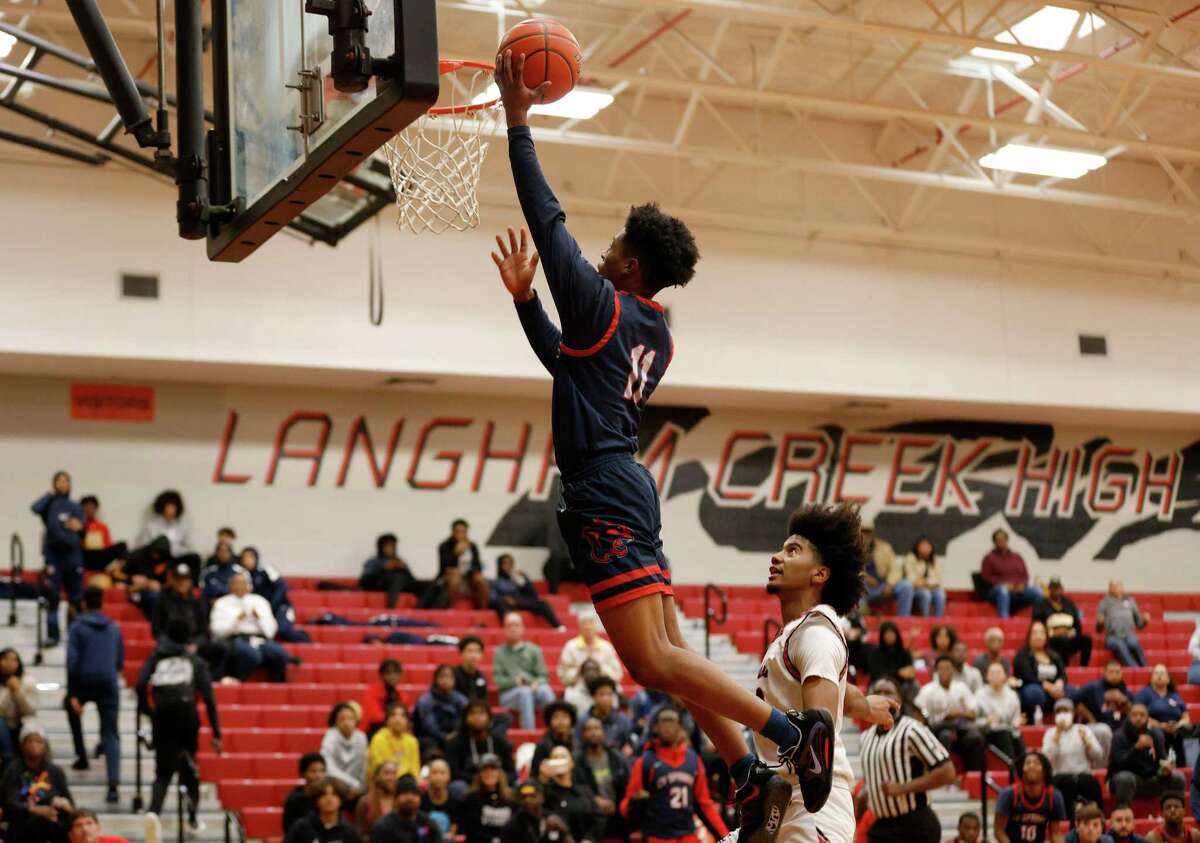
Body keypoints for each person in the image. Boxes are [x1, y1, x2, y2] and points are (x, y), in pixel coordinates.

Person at [493, 51, 832, 831]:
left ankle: (789, 737)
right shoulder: (651, 332)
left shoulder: (603, 302)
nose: (602, 251)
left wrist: (518, 120)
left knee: (650, 662)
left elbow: (546, 221)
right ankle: (748, 770)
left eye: (613, 245)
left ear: (630, 263)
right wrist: (524, 306)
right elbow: (565, 367)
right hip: (626, 481)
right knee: (671, 648)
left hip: (607, 486)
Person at [136, 618, 221, 839]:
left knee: (163, 772)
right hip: (187, 717)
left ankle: (153, 815)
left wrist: (147, 711)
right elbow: (210, 698)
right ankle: (192, 818)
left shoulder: (157, 656)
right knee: (189, 767)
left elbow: (140, 683)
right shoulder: (193, 659)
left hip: (162, 718)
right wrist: (216, 733)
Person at [858, 678, 956, 843]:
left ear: (899, 700)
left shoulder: (912, 729)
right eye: (877, 693)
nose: (883, 697)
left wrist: (903, 788)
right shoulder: (865, 737)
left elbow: (948, 772)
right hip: (881, 826)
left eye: (888, 692)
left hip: (915, 825)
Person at [620, 706, 727, 843]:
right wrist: (635, 802)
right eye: (663, 721)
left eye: (671, 721)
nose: (667, 726)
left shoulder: (693, 759)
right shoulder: (645, 761)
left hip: (687, 835)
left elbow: (704, 804)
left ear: (680, 728)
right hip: (656, 836)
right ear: (655, 728)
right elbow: (625, 807)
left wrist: (725, 835)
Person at [65, 586, 123, 802]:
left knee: (70, 708)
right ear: (102, 604)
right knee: (111, 733)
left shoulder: (77, 627)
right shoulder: (114, 628)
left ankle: (81, 755)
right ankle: (113, 785)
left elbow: (71, 661)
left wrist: (73, 693)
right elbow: (119, 662)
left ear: (83, 604)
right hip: (108, 681)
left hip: (83, 680)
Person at [32, 470, 85, 645]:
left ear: (70, 484)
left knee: (75, 598)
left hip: (72, 557)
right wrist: (49, 494)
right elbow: (35, 508)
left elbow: (83, 531)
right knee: (52, 597)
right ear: (54, 484)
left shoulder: (76, 507)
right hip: (53, 558)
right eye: (59, 481)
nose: (62, 484)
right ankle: (53, 635)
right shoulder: (49, 505)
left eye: (65, 481)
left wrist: (78, 527)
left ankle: (74, 634)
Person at [0, 721, 74, 842]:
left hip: (52, 824)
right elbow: (8, 804)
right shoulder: (13, 770)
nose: (34, 745)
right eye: (30, 741)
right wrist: (36, 810)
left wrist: (63, 804)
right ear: (22, 745)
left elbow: (70, 805)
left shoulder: (55, 771)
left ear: (45, 745)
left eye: (38, 741)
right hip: (21, 826)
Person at [209, 571, 290, 682]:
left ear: (249, 585)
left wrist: (259, 618)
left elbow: (272, 629)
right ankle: (238, 680)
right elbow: (216, 629)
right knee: (251, 654)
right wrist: (236, 620)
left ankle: (278, 687)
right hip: (235, 639)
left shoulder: (259, 601)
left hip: (260, 639)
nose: (239, 586)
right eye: (236, 583)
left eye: (243, 583)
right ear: (230, 586)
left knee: (279, 653)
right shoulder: (222, 603)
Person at [916, 655, 985, 771]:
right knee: (945, 735)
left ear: (953, 669)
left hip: (960, 730)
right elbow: (918, 715)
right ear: (936, 671)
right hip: (936, 732)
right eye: (941, 669)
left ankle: (974, 777)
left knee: (976, 737)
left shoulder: (961, 687)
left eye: (948, 668)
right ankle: (943, 774)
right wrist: (945, 717)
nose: (945, 672)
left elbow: (973, 714)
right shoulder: (927, 690)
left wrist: (959, 713)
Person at [1108, 702, 1186, 806]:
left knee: (1178, 777)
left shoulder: (1156, 734)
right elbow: (1119, 764)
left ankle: (1173, 812)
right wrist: (1136, 748)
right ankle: (1123, 813)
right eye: (1134, 715)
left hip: (1151, 780)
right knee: (1125, 778)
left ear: (1148, 718)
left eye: (1142, 715)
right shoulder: (1119, 735)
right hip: (1128, 780)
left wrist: (1165, 769)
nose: (1138, 718)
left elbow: (1162, 760)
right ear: (1128, 716)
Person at [1041, 698, 1104, 815]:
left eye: (1066, 711)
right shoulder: (1050, 733)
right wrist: (1057, 737)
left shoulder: (1083, 730)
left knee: (1089, 781)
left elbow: (1098, 755)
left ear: (1073, 713)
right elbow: (1046, 760)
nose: (1062, 714)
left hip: (1082, 773)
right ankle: (1066, 816)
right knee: (1067, 782)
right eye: (1059, 711)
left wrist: (1087, 742)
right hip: (1060, 775)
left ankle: (1097, 815)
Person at [494, 612, 556, 731]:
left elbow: (543, 675)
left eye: (516, 625)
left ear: (522, 628)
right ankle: (529, 734)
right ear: (504, 629)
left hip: (533, 689)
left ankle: (555, 730)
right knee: (524, 692)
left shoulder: (534, 650)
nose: (513, 629)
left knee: (546, 690)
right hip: (509, 694)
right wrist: (514, 682)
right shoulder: (499, 652)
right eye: (509, 625)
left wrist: (536, 683)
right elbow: (498, 680)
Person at [575, 716, 631, 840]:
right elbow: (575, 789)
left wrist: (618, 804)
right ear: (583, 735)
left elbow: (628, 785)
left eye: (596, 728)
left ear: (604, 733)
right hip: (590, 817)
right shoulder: (577, 762)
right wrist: (594, 800)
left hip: (617, 814)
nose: (593, 732)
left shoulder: (617, 758)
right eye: (588, 729)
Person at [995, 752, 1067, 843]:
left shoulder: (1054, 796)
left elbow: (1056, 833)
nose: (1031, 766)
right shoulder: (1008, 794)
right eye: (1027, 763)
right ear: (1021, 769)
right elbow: (999, 831)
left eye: (1036, 763)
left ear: (1044, 770)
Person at [540, 745, 605, 843]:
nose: (559, 761)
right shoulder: (545, 791)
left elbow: (599, 818)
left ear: (571, 763)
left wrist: (590, 839)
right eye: (555, 758)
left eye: (562, 757)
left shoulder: (584, 792)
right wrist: (543, 781)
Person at [446, 701, 516, 791]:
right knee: (457, 787)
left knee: (517, 787)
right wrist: (480, 780)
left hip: (498, 784)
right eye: (472, 713)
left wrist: (496, 780)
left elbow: (512, 773)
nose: (477, 717)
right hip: (469, 784)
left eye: (481, 713)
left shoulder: (500, 742)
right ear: (465, 719)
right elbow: (454, 773)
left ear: (489, 719)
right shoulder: (456, 743)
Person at [1073, 660, 1130, 759]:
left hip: (1118, 728)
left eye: (1117, 672)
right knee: (1105, 730)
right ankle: (1102, 767)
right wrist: (1089, 716)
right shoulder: (1093, 687)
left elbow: (1135, 711)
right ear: (1104, 673)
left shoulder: (1124, 689)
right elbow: (1072, 701)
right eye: (1111, 672)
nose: (1114, 675)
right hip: (1096, 727)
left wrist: (1124, 701)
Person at [1134, 665, 1191, 763]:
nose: (1159, 676)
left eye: (1162, 673)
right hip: (1152, 729)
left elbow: (1186, 717)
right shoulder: (1144, 694)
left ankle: (1183, 766)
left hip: (1175, 729)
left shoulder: (1175, 696)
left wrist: (1177, 725)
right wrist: (1161, 726)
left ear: (1168, 679)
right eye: (1156, 673)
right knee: (1158, 734)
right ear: (1151, 678)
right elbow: (1139, 717)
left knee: (1185, 730)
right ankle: (1161, 764)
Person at [980, 529, 1042, 618]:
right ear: (994, 542)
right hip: (997, 590)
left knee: (1038, 591)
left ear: (1006, 540)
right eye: (998, 540)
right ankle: (1004, 621)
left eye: (1003, 539)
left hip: (1018, 589)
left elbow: (1025, 575)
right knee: (1003, 590)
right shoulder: (989, 558)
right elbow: (987, 578)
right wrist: (1005, 584)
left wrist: (1022, 585)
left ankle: (1037, 621)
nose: (1001, 542)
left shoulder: (1017, 557)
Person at [138, 489, 201, 576]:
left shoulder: (181, 526)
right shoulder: (151, 525)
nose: (172, 509)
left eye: (174, 506)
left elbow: (189, 547)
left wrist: (175, 551)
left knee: (195, 558)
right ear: (162, 506)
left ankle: (194, 586)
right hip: (158, 559)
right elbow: (145, 546)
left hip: (175, 558)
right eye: (169, 505)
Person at [1014, 620, 1069, 721]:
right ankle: (1035, 719)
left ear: (1046, 636)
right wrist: (1048, 687)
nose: (1038, 636)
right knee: (1034, 691)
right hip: (1033, 690)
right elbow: (1027, 677)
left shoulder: (1054, 655)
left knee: (1072, 691)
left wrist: (1060, 682)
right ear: (1029, 636)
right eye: (1035, 633)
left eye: (1042, 633)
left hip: (1054, 691)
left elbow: (1063, 674)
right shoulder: (1022, 655)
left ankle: (1068, 721)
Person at [492, 554, 563, 630]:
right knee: (503, 605)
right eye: (506, 563)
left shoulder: (517, 580)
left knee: (543, 604)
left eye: (511, 563)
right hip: (506, 605)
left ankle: (558, 626)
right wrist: (504, 599)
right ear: (500, 565)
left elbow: (534, 595)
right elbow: (492, 598)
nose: (509, 566)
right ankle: (510, 628)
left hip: (520, 602)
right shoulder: (496, 582)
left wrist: (525, 579)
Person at [1033, 578, 1092, 667]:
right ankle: (1065, 668)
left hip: (1069, 637)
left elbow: (1077, 624)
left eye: (1058, 588)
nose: (1056, 590)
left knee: (1087, 639)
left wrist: (1073, 632)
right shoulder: (1042, 604)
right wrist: (1052, 633)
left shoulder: (1069, 603)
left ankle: (1084, 667)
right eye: (1053, 588)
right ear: (1049, 589)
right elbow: (1037, 623)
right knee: (1062, 640)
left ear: (1062, 589)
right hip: (1051, 639)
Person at [284, 778, 364, 843]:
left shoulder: (349, 833)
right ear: (316, 800)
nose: (329, 799)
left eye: (334, 795)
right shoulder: (301, 828)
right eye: (323, 795)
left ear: (341, 800)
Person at [370, 774, 445, 843]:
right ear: (395, 799)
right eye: (404, 793)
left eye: (414, 794)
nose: (409, 798)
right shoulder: (383, 827)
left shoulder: (428, 824)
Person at [975, 661, 1023, 764]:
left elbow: (1016, 719)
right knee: (1004, 734)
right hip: (986, 732)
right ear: (987, 676)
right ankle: (1011, 768)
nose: (995, 675)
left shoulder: (1012, 695)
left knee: (1017, 736)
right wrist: (986, 721)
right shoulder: (979, 695)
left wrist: (1017, 723)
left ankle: (1020, 768)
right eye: (992, 673)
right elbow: (974, 721)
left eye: (999, 672)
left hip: (1008, 731)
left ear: (1005, 676)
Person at [460, 754, 516, 843]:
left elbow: (515, 828)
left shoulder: (510, 798)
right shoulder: (471, 798)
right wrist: (492, 840)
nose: (489, 772)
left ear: (499, 773)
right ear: (479, 774)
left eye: (493, 769)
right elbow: (471, 830)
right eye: (485, 769)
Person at [860, 521, 912, 616]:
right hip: (863, 588)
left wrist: (889, 584)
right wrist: (865, 578)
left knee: (906, 586)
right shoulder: (851, 548)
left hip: (882, 586)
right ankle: (860, 623)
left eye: (868, 532)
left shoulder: (884, 547)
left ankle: (902, 621)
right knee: (855, 591)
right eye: (863, 531)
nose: (865, 535)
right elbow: (849, 570)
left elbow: (895, 569)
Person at [437, 519, 490, 611]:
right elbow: (444, 566)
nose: (461, 534)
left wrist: (471, 571)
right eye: (458, 531)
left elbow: (478, 566)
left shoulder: (472, 546)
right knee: (455, 579)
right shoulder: (444, 546)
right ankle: (451, 608)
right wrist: (456, 553)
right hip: (450, 576)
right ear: (453, 532)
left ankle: (483, 610)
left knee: (481, 580)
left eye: (463, 531)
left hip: (468, 576)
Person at [558, 614, 622, 688]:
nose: (588, 627)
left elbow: (617, 674)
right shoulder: (570, 646)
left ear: (596, 627)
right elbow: (563, 674)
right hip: (578, 686)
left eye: (591, 623)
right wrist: (580, 669)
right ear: (580, 626)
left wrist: (599, 666)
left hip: (603, 684)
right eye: (584, 623)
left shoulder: (606, 647)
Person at [417, 665, 470, 754]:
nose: (446, 680)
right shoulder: (425, 701)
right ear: (436, 679)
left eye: (450, 677)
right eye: (442, 676)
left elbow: (466, 718)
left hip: (456, 736)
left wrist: (456, 733)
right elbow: (429, 726)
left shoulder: (461, 699)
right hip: (431, 738)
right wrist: (445, 736)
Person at [322, 701, 368, 801]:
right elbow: (328, 766)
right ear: (335, 722)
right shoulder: (330, 736)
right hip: (336, 785)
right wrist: (350, 784)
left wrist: (360, 788)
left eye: (350, 718)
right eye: (342, 719)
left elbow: (364, 767)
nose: (346, 722)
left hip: (357, 788)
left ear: (356, 720)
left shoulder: (361, 737)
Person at [1097, 580, 1149, 668]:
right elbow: (1098, 629)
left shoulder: (1130, 601)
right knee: (1120, 645)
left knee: (1134, 643)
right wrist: (1100, 623)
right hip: (1112, 637)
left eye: (1118, 585)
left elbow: (1139, 624)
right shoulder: (1104, 603)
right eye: (1112, 586)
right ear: (1109, 589)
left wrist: (1145, 621)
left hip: (1129, 635)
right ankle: (1135, 670)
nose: (1115, 588)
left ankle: (1146, 668)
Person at [0, 647, 38, 765]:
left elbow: (30, 710)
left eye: (14, 660)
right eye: (5, 659)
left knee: (34, 729)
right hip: (3, 724)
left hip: (22, 722)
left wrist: (17, 692)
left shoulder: (28, 681)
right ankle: (8, 760)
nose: (9, 663)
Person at [867, 621, 920, 702]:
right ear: (882, 635)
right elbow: (876, 672)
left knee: (914, 685)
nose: (889, 636)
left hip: (900, 685)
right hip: (880, 683)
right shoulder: (875, 652)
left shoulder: (904, 652)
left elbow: (909, 671)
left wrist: (910, 674)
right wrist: (898, 673)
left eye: (892, 633)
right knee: (879, 686)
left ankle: (907, 711)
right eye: (887, 633)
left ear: (896, 635)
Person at [577, 676, 633, 753]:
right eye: (601, 694)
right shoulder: (583, 720)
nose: (606, 699)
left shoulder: (623, 720)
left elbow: (629, 747)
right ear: (593, 696)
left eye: (609, 694)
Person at [504, 779, 571, 843]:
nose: (527, 800)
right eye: (524, 797)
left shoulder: (553, 818)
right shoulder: (514, 823)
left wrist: (563, 831)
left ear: (542, 797)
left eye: (532, 795)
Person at [361, 533, 415, 610]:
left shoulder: (399, 562)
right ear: (381, 547)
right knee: (398, 577)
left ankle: (420, 609)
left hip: (401, 587)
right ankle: (390, 609)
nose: (391, 549)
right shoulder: (373, 561)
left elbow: (412, 580)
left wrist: (403, 568)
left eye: (393, 546)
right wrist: (383, 568)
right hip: (379, 586)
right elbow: (365, 581)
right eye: (388, 546)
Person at [368, 702, 421, 781]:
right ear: (387, 720)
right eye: (393, 715)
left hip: (405, 786)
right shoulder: (378, 739)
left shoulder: (412, 742)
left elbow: (415, 771)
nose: (398, 719)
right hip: (384, 784)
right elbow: (378, 770)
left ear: (407, 721)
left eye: (402, 716)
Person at [79, 495, 126, 577]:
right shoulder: (78, 525)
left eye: (92, 507)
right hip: (85, 556)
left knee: (122, 545)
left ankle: (117, 571)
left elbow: (108, 545)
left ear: (96, 508)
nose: (89, 509)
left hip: (99, 556)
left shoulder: (102, 526)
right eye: (86, 507)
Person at [531, 701, 580, 779]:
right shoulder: (542, 747)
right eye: (556, 717)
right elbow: (534, 776)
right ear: (549, 722)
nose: (560, 721)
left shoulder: (578, 745)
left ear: (571, 721)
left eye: (565, 717)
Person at [901, 535, 946, 617]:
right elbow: (911, 579)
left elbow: (938, 580)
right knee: (925, 594)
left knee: (940, 595)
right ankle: (925, 619)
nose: (926, 548)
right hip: (915, 590)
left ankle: (939, 621)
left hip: (930, 588)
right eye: (923, 545)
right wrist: (924, 583)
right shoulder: (910, 558)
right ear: (917, 547)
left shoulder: (933, 559)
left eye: (928, 546)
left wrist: (926, 582)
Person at [362, 659, 408, 737]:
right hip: (373, 729)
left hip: (395, 728)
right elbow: (374, 717)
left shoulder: (403, 695)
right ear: (381, 675)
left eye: (395, 673)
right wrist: (395, 721)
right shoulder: (371, 691)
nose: (392, 676)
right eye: (388, 673)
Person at [198, 529, 245, 605]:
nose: (223, 555)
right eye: (221, 552)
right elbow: (203, 587)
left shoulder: (238, 568)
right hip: (214, 600)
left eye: (226, 552)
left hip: (234, 600)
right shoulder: (210, 565)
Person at [284, 752, 327, 834]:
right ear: (302, 774)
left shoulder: (329, 797)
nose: (318, 775)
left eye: (322, 771)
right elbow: (289, 830)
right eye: (313, 771)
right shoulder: (294, 799)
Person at [356, 760, 399, 838]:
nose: (391, 777)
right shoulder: (364, 802)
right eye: (386, 773)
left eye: (394, 774)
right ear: (376, 777)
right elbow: (360, 834)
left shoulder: (400, 801)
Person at [421, 758, 463, 836]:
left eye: (442, 773)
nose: (438, 777)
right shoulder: (420, 801)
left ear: (449, 776)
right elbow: (419, 829)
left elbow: (455, 829)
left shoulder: (456, 804)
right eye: (434, 772)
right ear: (428, 776)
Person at [454, 637, 492, 705]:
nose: (474, 655)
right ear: (461, 654)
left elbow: (484, 702)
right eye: (470, 651)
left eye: (477, 651)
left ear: (482, 655)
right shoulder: (453, 675)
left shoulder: (481, 677)